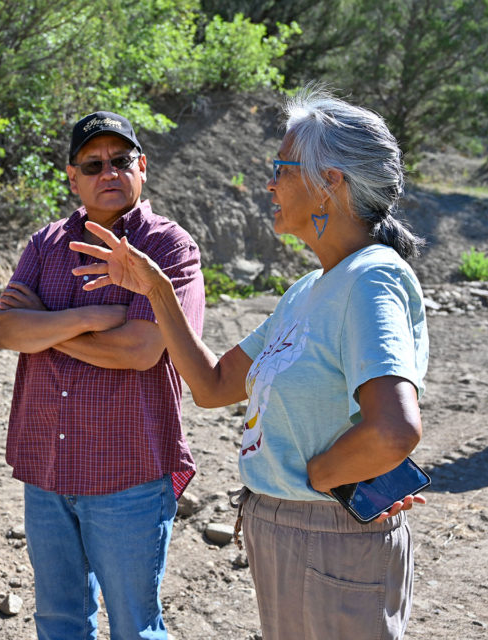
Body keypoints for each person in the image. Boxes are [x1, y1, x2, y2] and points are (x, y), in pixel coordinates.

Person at [70, 88, 429, 640]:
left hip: (330, 535)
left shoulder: (371, 277)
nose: (270, 184)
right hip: (294, 531)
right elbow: (213, 385)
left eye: (282, 169)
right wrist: (157, 290)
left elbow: (393, 430)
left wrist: (317, 477)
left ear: (329, 182)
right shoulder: (308, 290)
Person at [0, 111, 205, 639]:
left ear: (142, 167)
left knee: (135, 627)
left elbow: (140, 350)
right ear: (73, 177)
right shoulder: (46, 244)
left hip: (128, 472)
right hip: (47, 467)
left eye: (120, 160)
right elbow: (5, 331)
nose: (108, 172)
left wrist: (44, 325)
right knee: (59, 620)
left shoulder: (169, 247)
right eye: (92, 164)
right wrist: (90, 317)